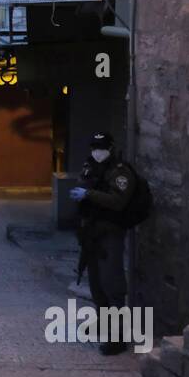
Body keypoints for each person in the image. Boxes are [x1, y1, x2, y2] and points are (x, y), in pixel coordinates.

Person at [70, 131, 136, 355]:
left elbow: (118, 201)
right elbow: (82, 185)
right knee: (96, 284)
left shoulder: (120, 172)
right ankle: (104, 323)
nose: (97, 151)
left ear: (110, 148)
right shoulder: (90, 166)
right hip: (92, 234)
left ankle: (118, 337)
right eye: (94, 147)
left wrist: (89, 194)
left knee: (113, 284)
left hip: (110, 234)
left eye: (101, 147)